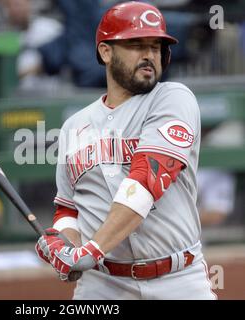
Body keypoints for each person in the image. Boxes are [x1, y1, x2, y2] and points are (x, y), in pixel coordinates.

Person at [35, 2, 216, 300]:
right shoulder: (73, 126)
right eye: (136, 45)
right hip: (102, 286)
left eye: (155, 46)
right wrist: (64, 244)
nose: (149, 55)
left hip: (178, 281)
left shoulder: (173, 98)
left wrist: (91, 250)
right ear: (106, 52)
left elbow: (148, 179)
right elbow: (69, 209)